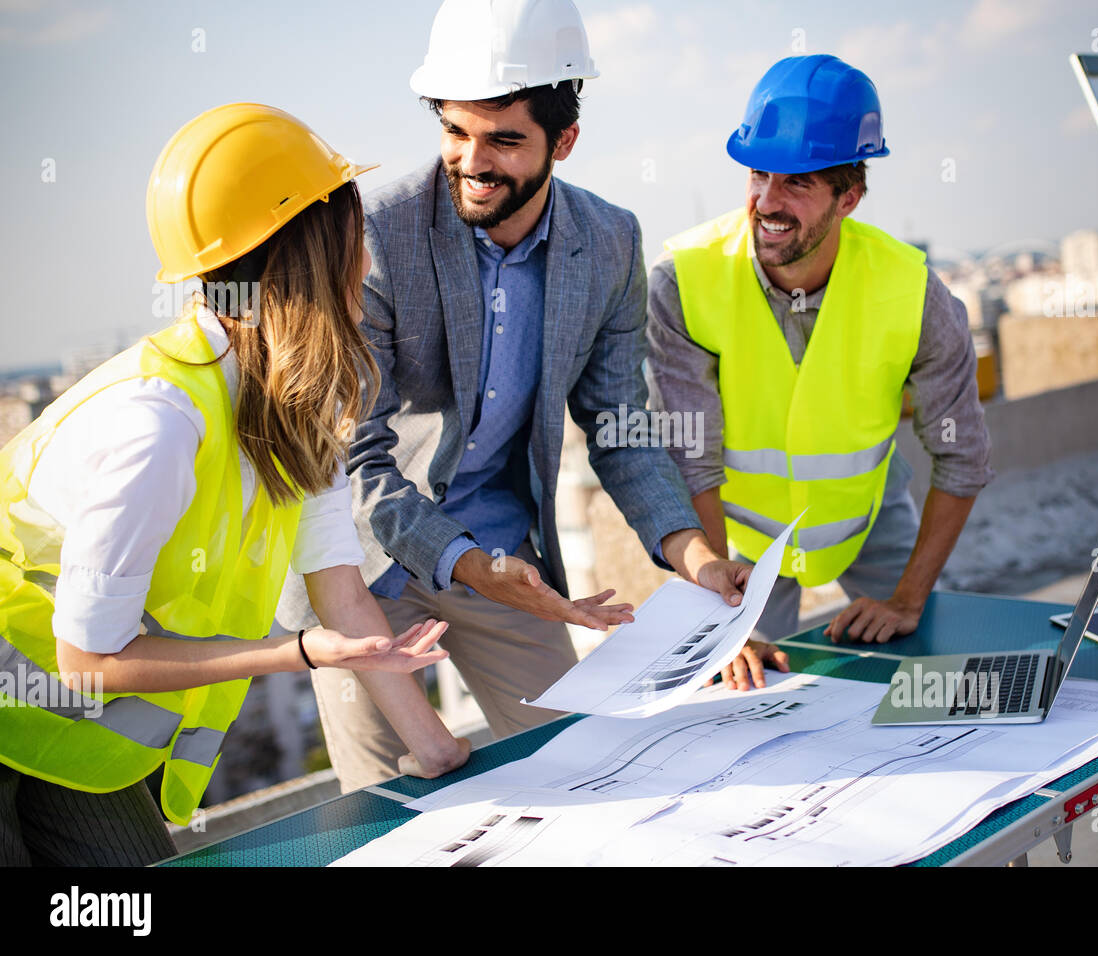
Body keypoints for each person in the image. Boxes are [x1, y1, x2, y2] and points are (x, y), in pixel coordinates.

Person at [277, 0, 774, 795]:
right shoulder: (372, 232)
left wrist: (696, 558)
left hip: (510, 559)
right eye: (455, 131)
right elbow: (350, 457)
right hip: (364, 567)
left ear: (564, 142)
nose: (472, 162)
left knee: (577, 777)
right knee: (388, 816)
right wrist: (466, 565)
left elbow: (619, 426)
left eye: (504, 140)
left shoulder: (610, 240)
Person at [0, 103, 471, 866]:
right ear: (308, 258)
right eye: (354, 242)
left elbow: (342, 597)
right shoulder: (158, 424)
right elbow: (87, 657)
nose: (366, 265)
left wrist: (442, 752)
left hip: (61, 726)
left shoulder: (295, 407)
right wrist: (298, 655)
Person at [647, 55, 994, 655]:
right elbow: (690, 460)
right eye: (759, 173)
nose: (766, 202)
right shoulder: (685, 279)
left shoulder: (913, 292)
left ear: (850, 197)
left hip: (868, 516)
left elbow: (963, 457)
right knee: (738, 691)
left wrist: (908, 599)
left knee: (924, 666)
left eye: (798, 182)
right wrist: (721, 623)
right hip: (744, 534)